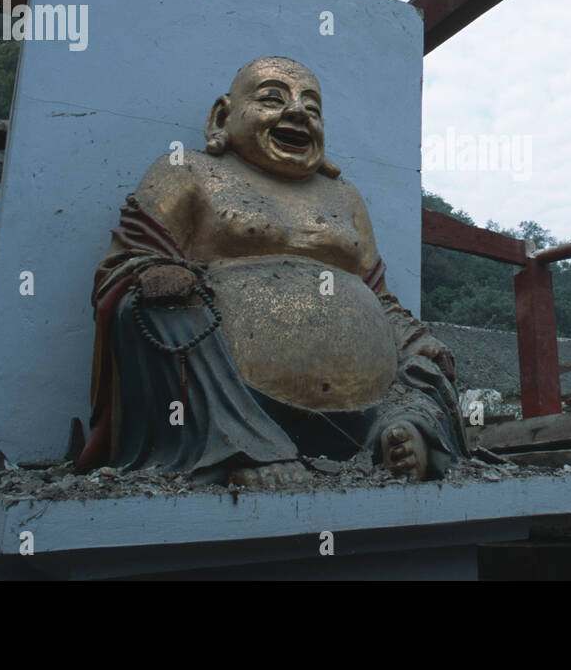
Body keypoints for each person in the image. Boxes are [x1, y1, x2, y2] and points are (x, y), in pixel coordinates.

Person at [77, 56, 468, 487]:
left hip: (364, 396)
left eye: (313, 108)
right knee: (149, 310)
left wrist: (414, 339)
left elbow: (379, 296)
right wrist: (157, 272)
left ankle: (396, 431)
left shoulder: (345, 196)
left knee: (425, 363)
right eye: (272, 99)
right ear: (223, 116)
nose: (298, 112)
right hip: (227, 387)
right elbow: (124, 263)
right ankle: (244, 446)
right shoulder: (187, 169)